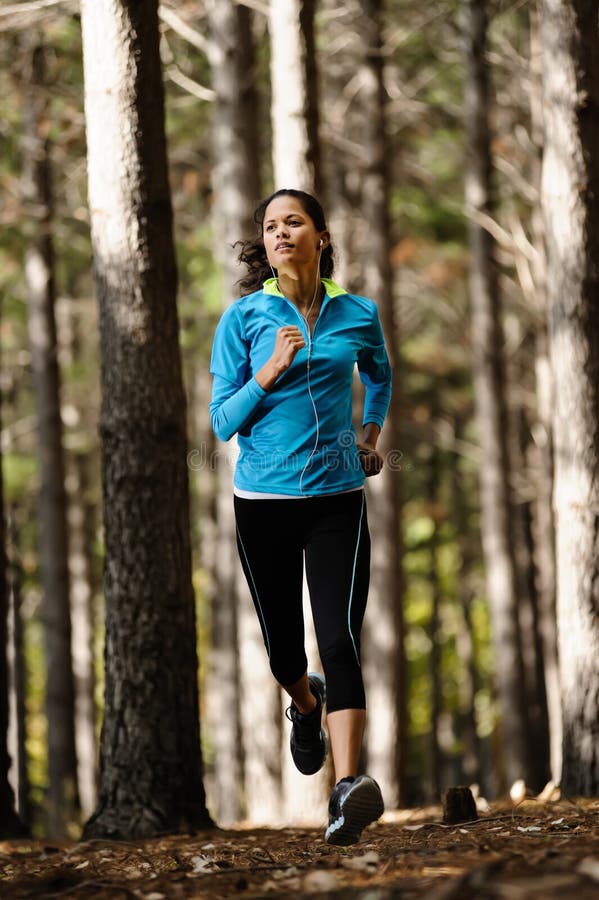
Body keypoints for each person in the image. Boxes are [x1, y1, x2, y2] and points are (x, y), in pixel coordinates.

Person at [209, 188, 392, 844]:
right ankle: (303, 703)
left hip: (338, 501)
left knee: (340, 639)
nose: (280, 233)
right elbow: (221, 421)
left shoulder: (356, 313)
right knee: (284, 652)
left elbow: (379, 374)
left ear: (321, 236)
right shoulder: (244, 319)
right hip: (262, 507)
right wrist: (270, 370)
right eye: (269, 226)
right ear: (263, 246)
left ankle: (347, 789)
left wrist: (370, 435)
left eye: (293, 222)